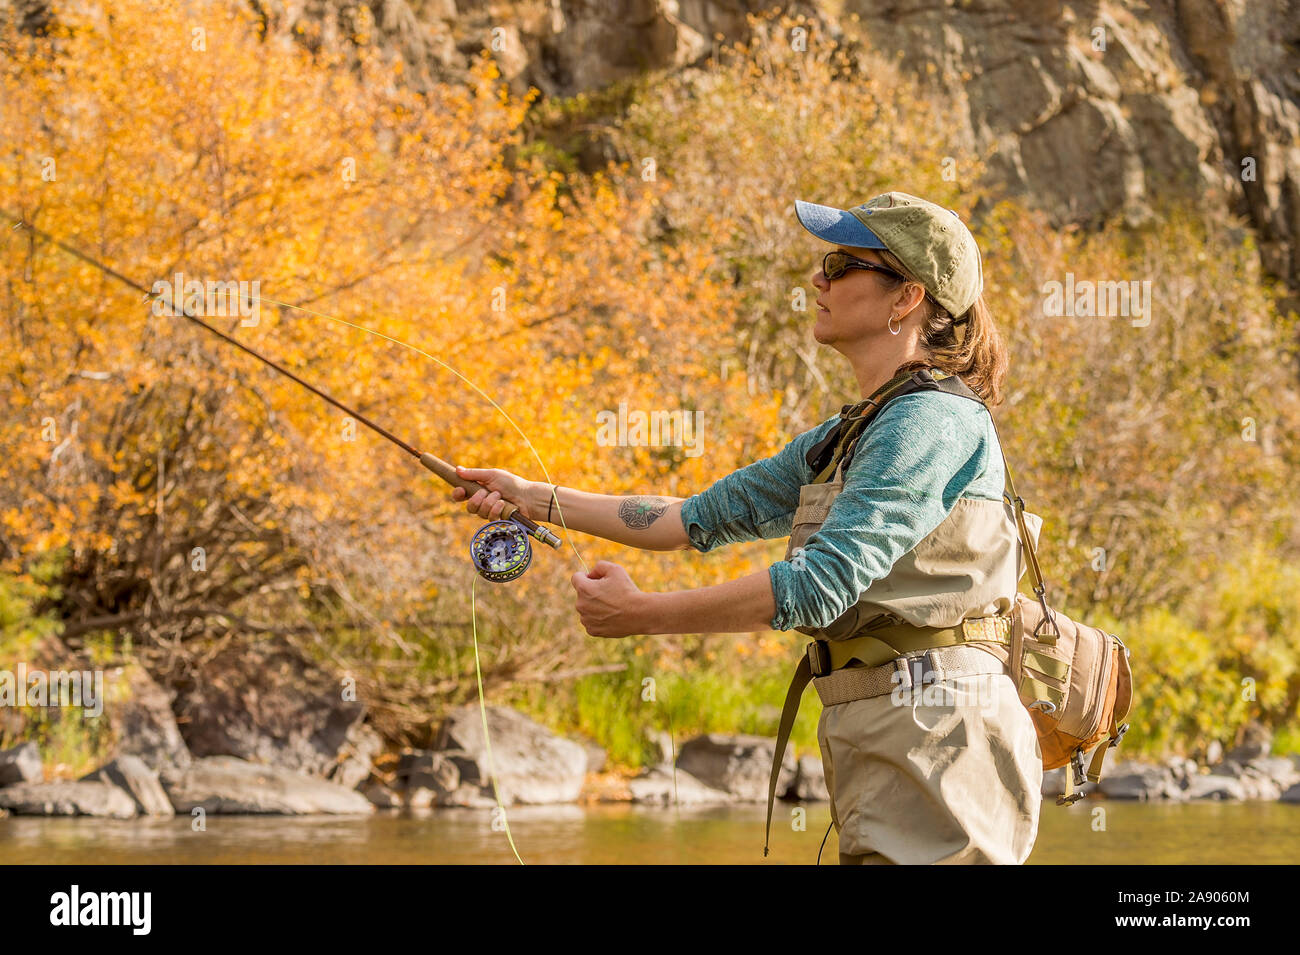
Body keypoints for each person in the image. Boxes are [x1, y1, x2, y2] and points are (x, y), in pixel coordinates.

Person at [451, 191, 1042, 864]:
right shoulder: (850, 434)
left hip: (941, 743)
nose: (817, 280)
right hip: (887, 739)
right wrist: (534, 498)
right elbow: (688, 518)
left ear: (906, 297)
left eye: (840, 263)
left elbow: (817, 587)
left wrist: (645, 613)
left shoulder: (931, 423)